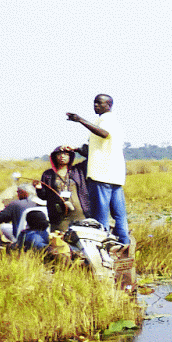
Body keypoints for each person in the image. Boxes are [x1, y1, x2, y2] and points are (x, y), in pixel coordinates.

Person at [67, 93, 130, 249]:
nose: (95, 105)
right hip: (114, 175)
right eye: (94, 102)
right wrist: (76, 149)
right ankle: (125, 244)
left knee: (100, 215)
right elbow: (96, 148)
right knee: (119, 215)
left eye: (99, 103)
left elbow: (104, 133)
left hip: (102, 174)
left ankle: (103, 247)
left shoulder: (106, 120)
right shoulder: (109, 121)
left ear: (108, 105)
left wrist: (80, 120)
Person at [36, 145, 90, 233]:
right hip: (59, 216)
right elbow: (44, 196)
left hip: (79, 214)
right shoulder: (48, 174)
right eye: (59, 154)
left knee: (80, 237)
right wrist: (39, 189)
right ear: (54, 157)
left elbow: (91, 156)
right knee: (59, 239)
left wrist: (76, 149)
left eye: (66, 154)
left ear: (70, 156)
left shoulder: (78, 170)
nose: (62, 156)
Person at [0, 184, 50, 250]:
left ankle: (15, 242)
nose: (17, 194)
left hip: (24, 235)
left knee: (3, 227)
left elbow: (1, 217)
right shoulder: (41, 204)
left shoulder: (15, 204)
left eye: (18, 192)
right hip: (44, 233)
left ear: (24, 193)